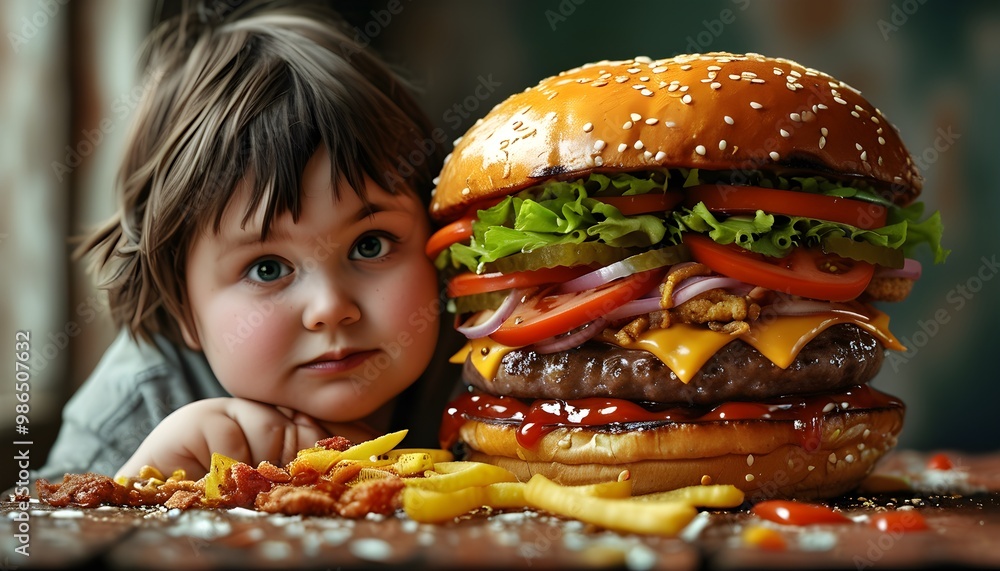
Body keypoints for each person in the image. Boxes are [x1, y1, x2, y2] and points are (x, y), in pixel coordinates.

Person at [33, 0, 458, 483]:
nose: (329, 308)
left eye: (370, 244)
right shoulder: (139, 400)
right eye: (267, 268)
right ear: (181, 305)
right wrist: (141, 487)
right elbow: (29, 522)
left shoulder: (485, 366)